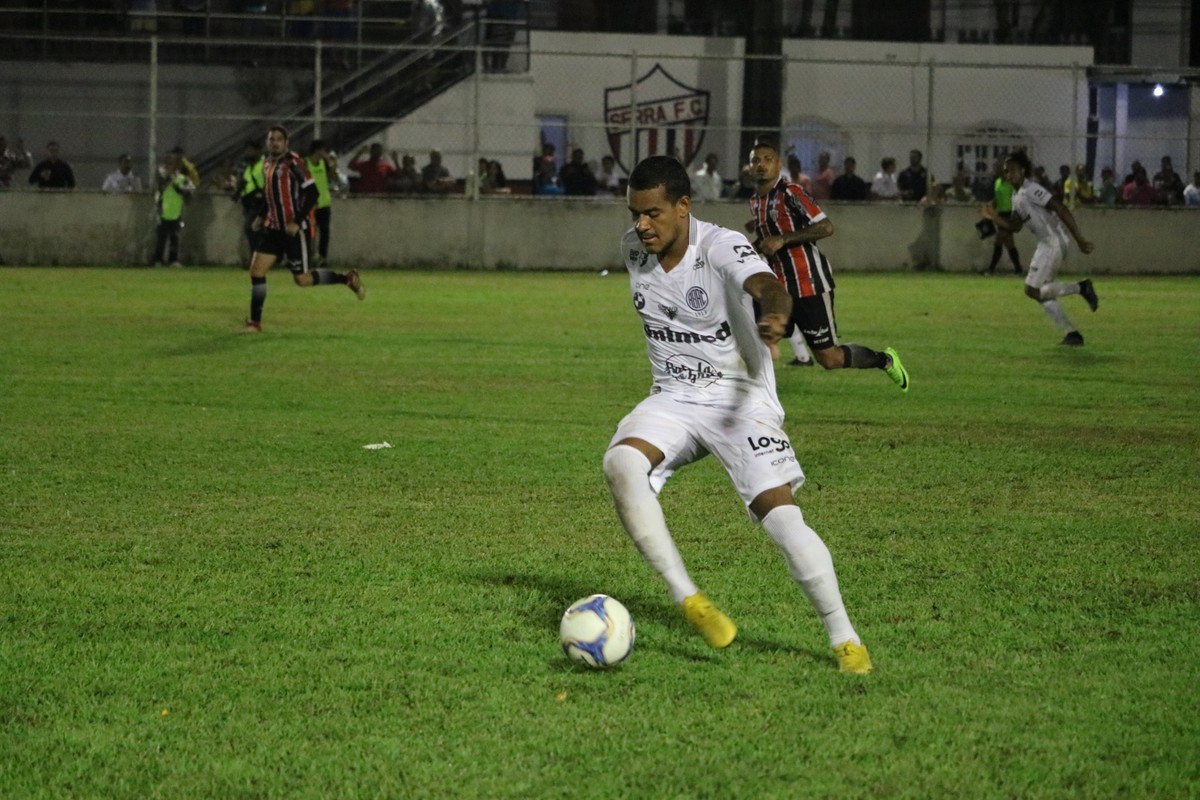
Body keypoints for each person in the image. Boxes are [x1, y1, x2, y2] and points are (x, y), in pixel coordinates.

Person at [604, 153, 873, 674]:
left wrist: (775, 311)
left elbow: (766, 284)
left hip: (739, 399)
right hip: (674, 396)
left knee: (781, 514)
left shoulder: (720, 244)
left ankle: (846, 639)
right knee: (620, 464)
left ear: (683, 207)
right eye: (635, 213)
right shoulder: (634, 249)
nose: (641, 224)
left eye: (653, 213)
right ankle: (690, 600)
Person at [748, 135, 909, 387]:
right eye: (756, 160)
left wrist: (783, 239)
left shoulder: (792, 192)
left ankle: (885, 360)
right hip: (778, 288)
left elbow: (826, 227)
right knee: (757, 338)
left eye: (768, 160)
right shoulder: (756, 201)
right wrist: (756, 246)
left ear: (779, 165)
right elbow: (769, 238)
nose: (761, 164)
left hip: (808, 283)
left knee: (829, 358)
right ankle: (746, 404)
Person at [242, 125, 364, 334]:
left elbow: (313, 193)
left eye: (279, 139)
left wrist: (297, 221)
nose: (275, 142)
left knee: (303, 279)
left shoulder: (294, 163)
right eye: (271, 139)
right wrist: (261, 216)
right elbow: (270, 194)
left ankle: (346, 278)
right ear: (267, 142)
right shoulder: (267, 163)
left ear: (286, 143)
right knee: (257, 271)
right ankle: (255, 323)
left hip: (294, 231)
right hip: (273, 228)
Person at [979, 149, 1098, 347]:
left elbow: (1060, 208)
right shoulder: (1017, 197)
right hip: (1045, 244)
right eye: (1007, 171)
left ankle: (1081, 288)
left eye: (1014, 170)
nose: (1010, 174)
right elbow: (1015, 227)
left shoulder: (1032, 189)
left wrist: (1078, 237)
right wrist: (993, 217)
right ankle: (1072, 333)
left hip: (1053, 241)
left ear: (1023, 170)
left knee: (1033, 290)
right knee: (1039, 292)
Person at [152, 151, 194, 267]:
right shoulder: (162, 178)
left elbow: (189, 191)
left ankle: (173, 260)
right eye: (169, 164)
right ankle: (158, 260)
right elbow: (158, 189)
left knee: (175, 238)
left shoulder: (182, 179)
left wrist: (178, 187)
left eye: (174, 164)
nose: (172, 166)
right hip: (163, 212)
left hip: (177, 212)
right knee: (161, 238)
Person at [981, 159, 1023, 276]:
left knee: (998, 241)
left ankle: (991, 269)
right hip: (1000, 214)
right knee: (1009, 243)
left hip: (1010, 214)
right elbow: (997, 197)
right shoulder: (998, 182)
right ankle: (1018, 269)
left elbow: (1018, 198)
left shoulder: (1012, 183)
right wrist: (990, 205)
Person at [306, 139, 336, 266]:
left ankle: (322, 258)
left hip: (324, 203)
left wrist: (330, 162)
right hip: (310, 204)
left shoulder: (324, 164)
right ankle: (308, 258)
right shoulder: (305, 163)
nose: (325, 153)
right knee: (309, 233)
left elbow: (332, 178)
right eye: (324, 150)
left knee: (325, 233)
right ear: (317, 150)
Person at [236, 139, 266, 256]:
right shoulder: (247, 166)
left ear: (258, 151)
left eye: (250, 150)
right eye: (246, 150)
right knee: (256, 231)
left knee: (249, 227)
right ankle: (257, 256)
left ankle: (256, 256)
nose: (247, 153)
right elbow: (243, 183)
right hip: (249, 202)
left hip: (260, 203)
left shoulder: (265, 164)